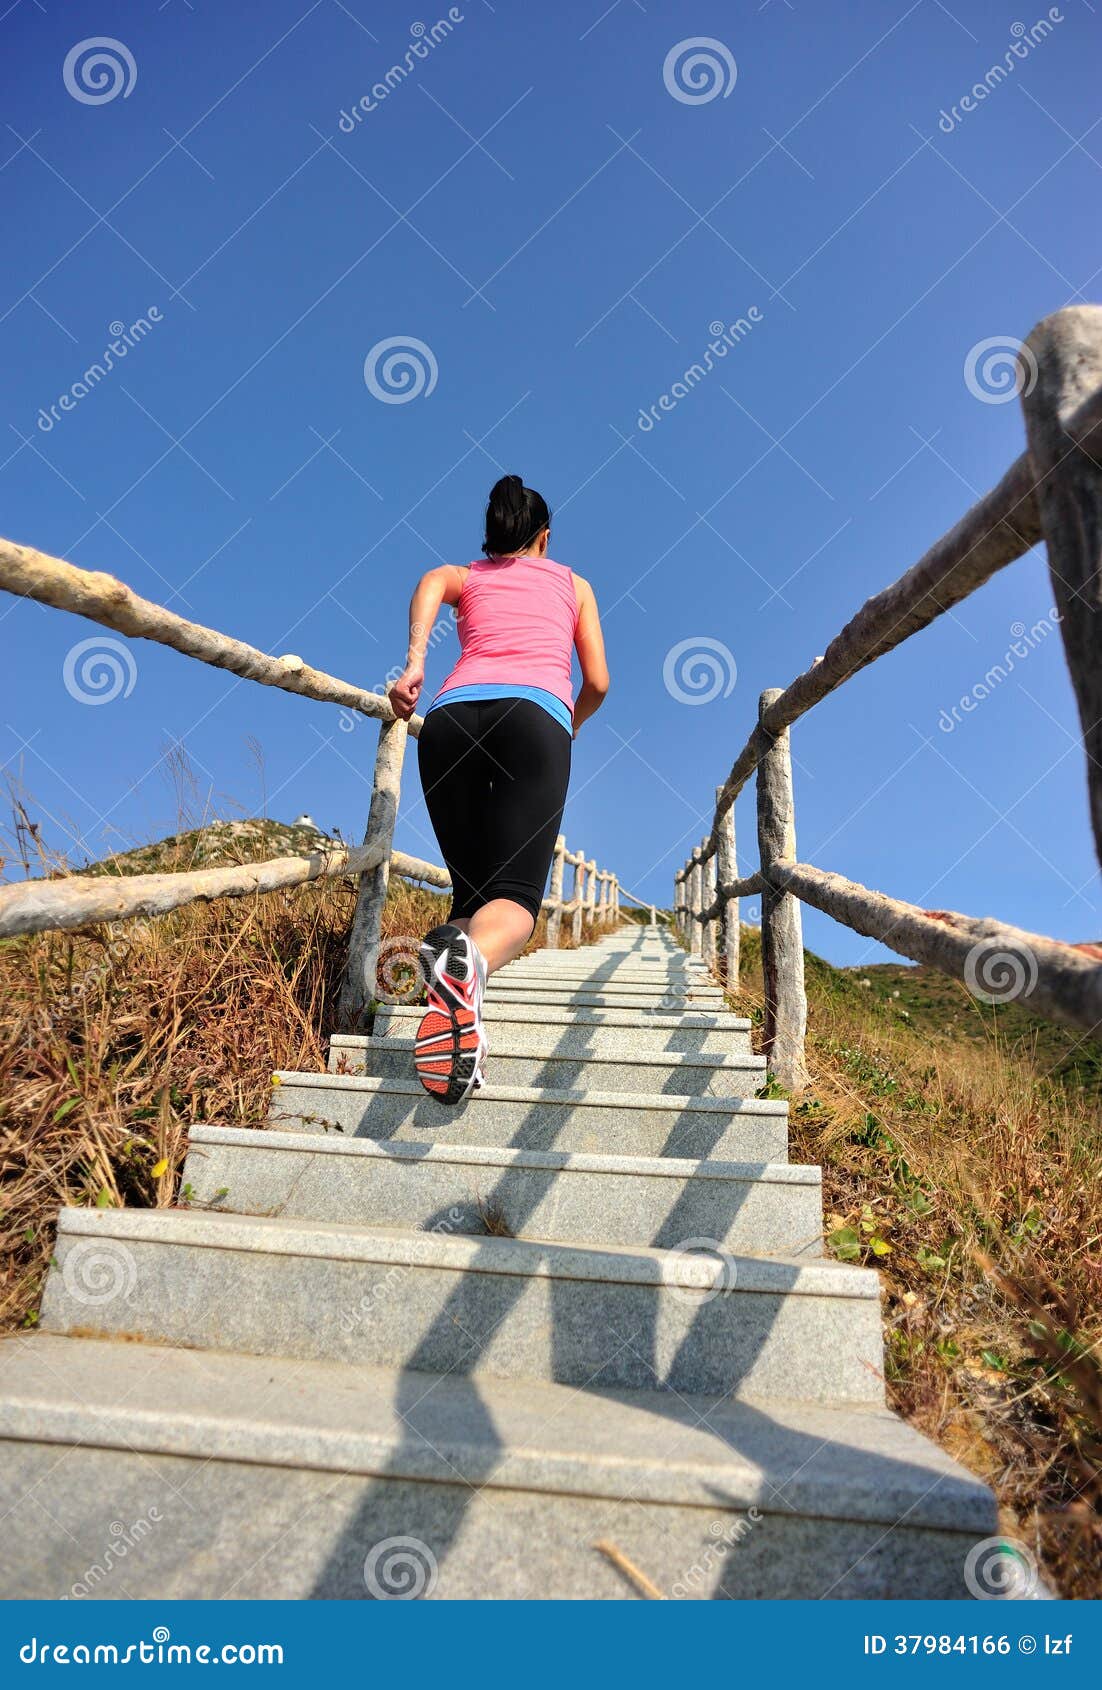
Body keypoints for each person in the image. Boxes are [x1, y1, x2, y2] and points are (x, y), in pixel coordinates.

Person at [388, 474, 610, 1104]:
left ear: (491, 536)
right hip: (533, 718)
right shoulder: (574, 585)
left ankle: (461, 1014)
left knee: (472, 894)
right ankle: (466, 969)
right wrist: (567, 723)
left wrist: (415, 662)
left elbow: (431, 581)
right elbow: (597, 681)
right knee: (513, 903)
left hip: (449, 721)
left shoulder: (471, 576)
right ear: (544, 537)